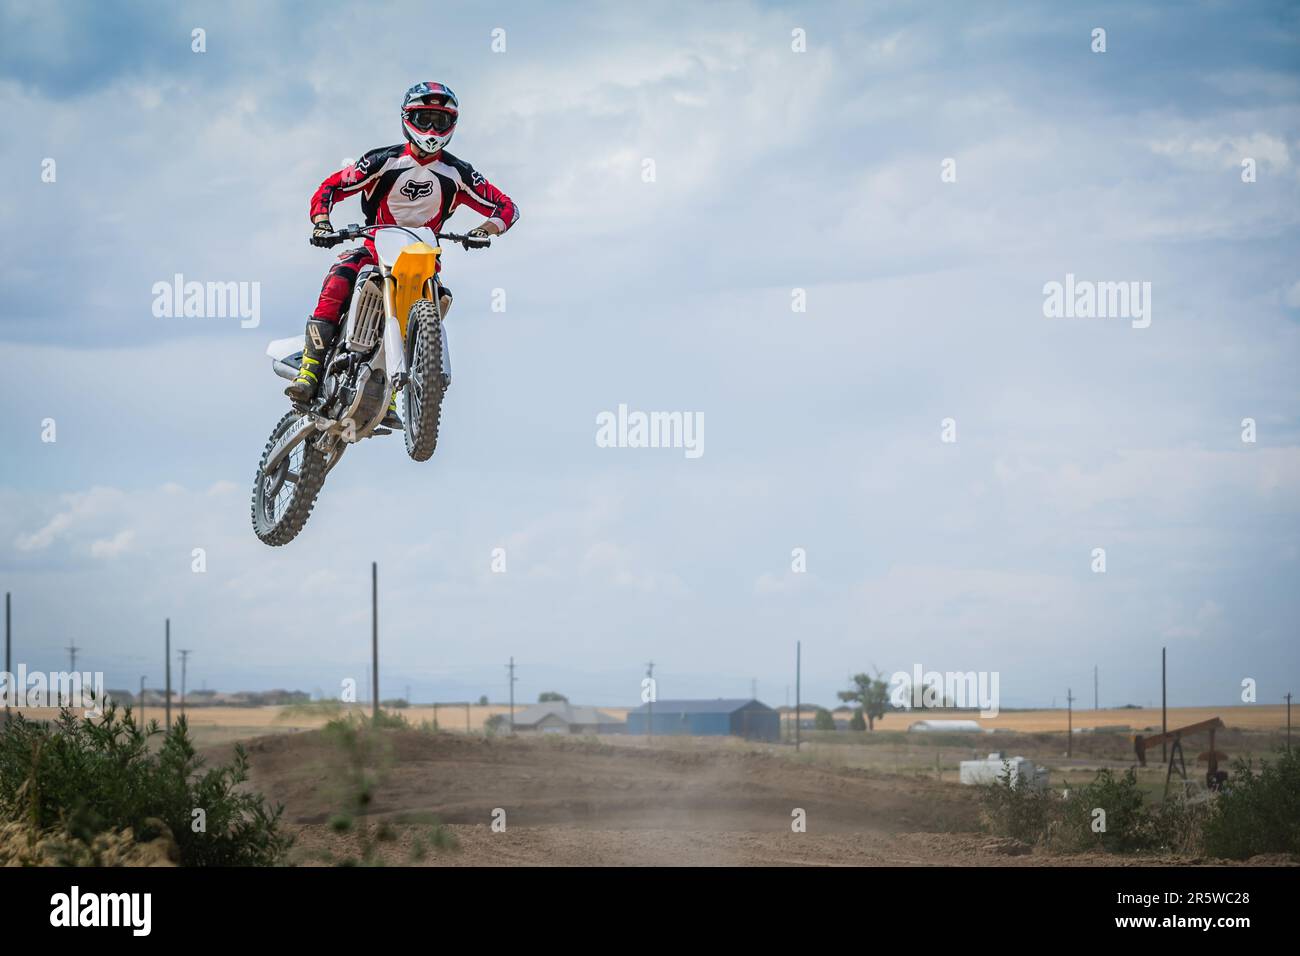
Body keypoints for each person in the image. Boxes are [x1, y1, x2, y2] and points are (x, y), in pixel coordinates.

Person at [286, 81, 519, 427]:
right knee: (340, 277)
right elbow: (333, 185)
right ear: (407, 118)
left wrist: (485, 230)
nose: (430, 129)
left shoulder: (459, 173)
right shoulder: (383, 161)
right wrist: (322, 222)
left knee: (440, 299)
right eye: (423, 119)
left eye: (439, 122)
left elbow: (506, 207)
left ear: (452, 125)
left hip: (423, 258)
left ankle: (398, 393)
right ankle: (309, 368)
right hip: (375, 247)